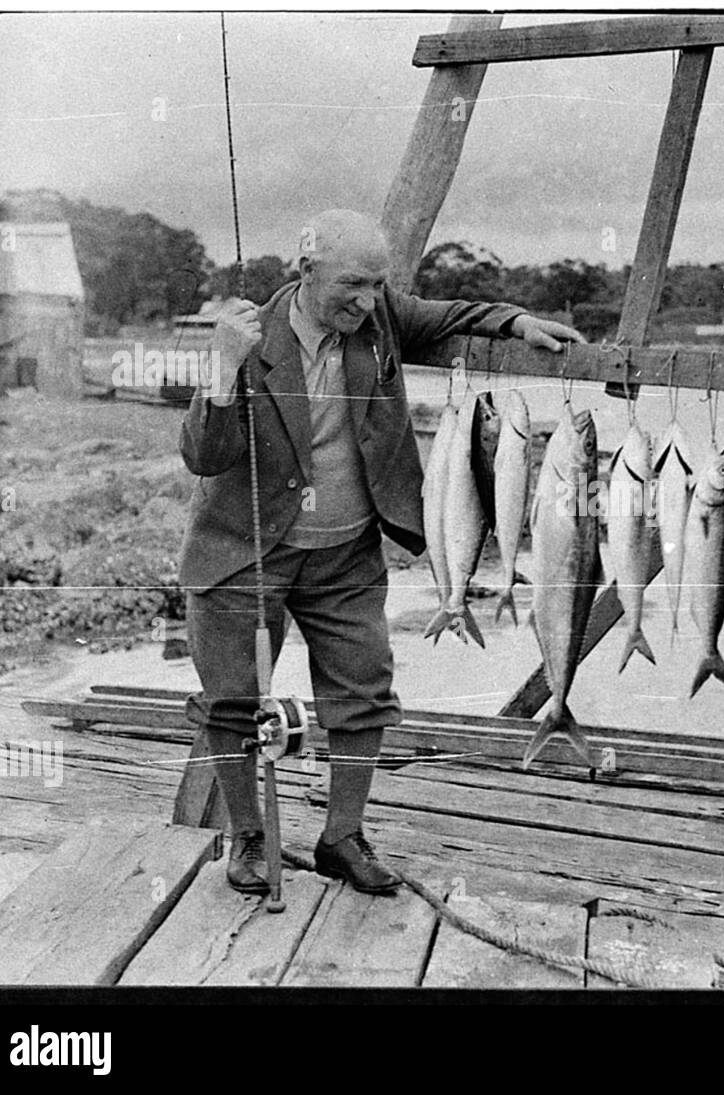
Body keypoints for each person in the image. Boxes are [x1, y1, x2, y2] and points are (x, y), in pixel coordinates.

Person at [178, 209, 583, 894]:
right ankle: (246, 836)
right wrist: (223, 370)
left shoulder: (380, 318)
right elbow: (203, 454)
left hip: (345, 554)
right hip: (244, 550)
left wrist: (515, 324)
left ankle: (342, 835)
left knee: (364, 695)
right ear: (306, 273)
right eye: (353, 287)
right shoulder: (249, 338)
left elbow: (454, 311)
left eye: (376, 286)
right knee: (231, 699)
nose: (368, 302)